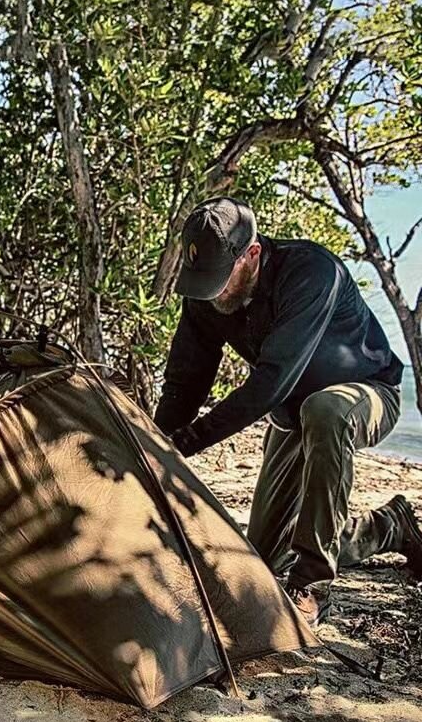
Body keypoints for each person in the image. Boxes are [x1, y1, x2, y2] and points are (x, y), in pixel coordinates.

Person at [153, 196, 422, 627]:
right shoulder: (206, 292)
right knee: (262, 557)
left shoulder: (312, 273)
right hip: (292, 413)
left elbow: (270, 384)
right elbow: (186, 384)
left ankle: (313, 583)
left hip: (366, 397)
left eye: (221, 278)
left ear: (252, 254)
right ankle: (389, 527)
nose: (211, 291)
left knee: (326, 409)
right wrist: (152, 446)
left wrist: (182, 445)